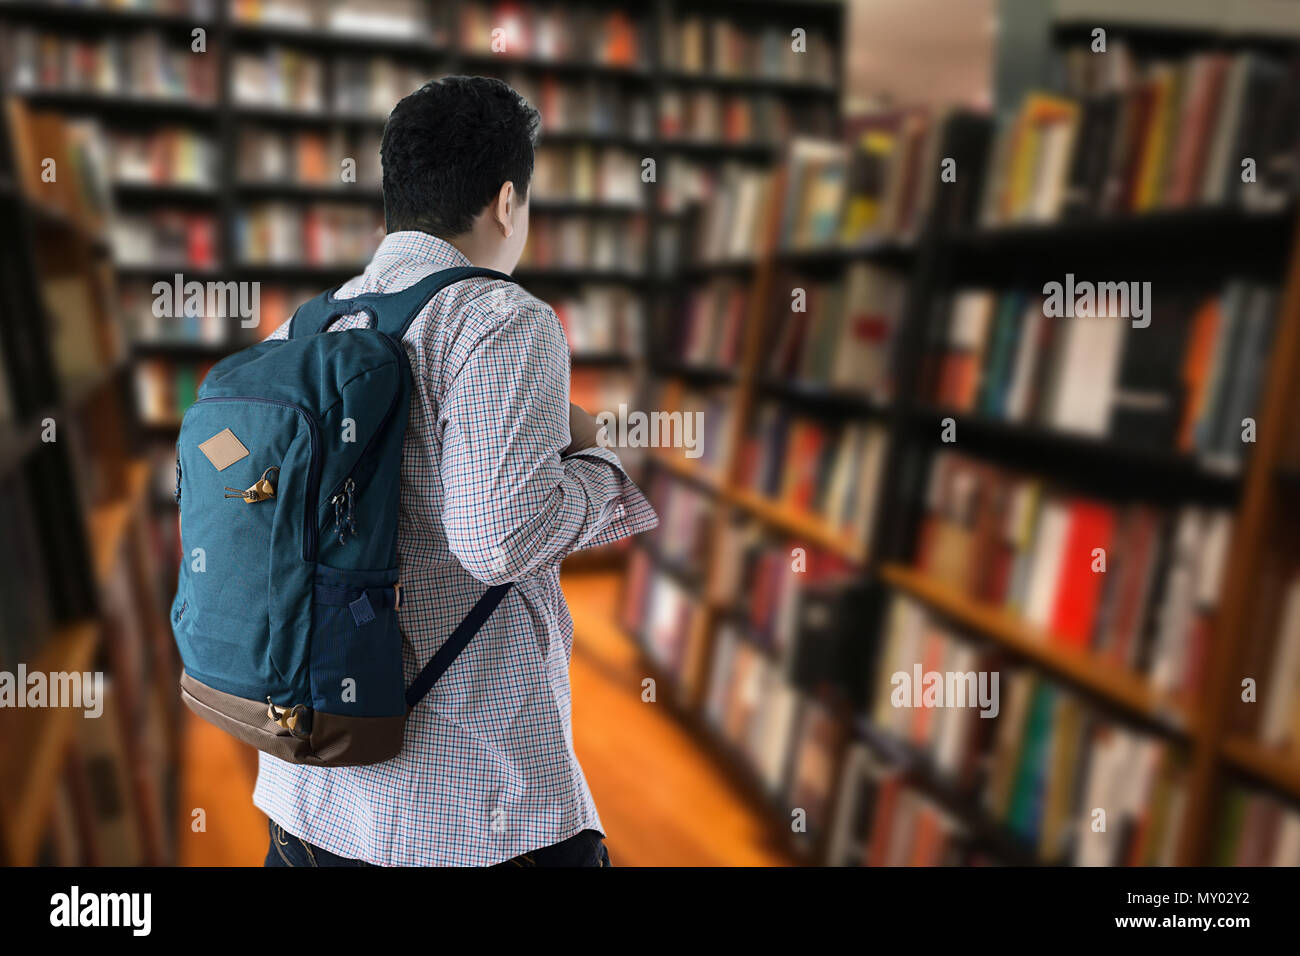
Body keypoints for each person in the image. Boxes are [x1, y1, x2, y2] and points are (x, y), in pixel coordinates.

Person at [256, 75, 657, 867]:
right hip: (469, 805)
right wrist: (605, 470)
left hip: (304, 792)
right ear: (508, 201)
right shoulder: (502, 317)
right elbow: (497, 539)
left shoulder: (308, 327)